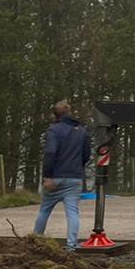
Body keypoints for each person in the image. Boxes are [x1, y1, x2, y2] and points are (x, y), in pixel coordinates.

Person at [34, 101, 90, 250]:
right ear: (70, 112)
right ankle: (72, 245)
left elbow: (50, 153)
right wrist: (77, 167)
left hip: (55, 177)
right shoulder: (82, 131)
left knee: (44, 210)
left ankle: (35, 241)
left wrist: (47, 176)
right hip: (74, 177)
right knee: (72, 212)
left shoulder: (54, 130)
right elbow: (86, 154)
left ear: (55, 114)